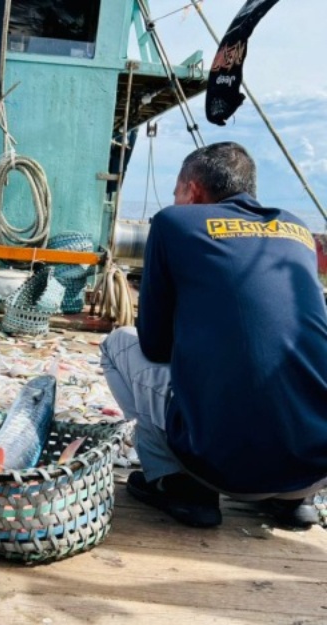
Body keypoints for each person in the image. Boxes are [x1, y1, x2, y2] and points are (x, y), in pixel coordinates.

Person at [101, 141, 327, 529]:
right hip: (315, 464)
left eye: (176, 191)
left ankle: (181, 485)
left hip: (222, 467)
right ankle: (292, 501)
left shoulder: (174, 222)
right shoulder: (298, 229)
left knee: (116, 345)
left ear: (192, 190)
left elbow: (154, 346)